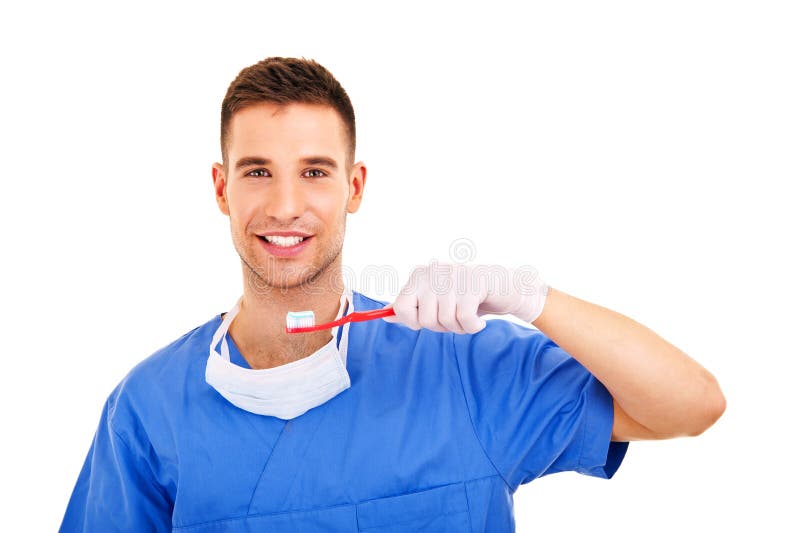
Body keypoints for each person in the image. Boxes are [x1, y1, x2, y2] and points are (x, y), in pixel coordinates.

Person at [59, 57, 726, 532]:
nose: (286, 205)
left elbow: (692, 404)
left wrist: (531, 297)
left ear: (354, 186)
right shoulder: (149, 412)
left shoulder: (461, 367)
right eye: (258, 171)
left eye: (315, 171)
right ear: (220, 188)